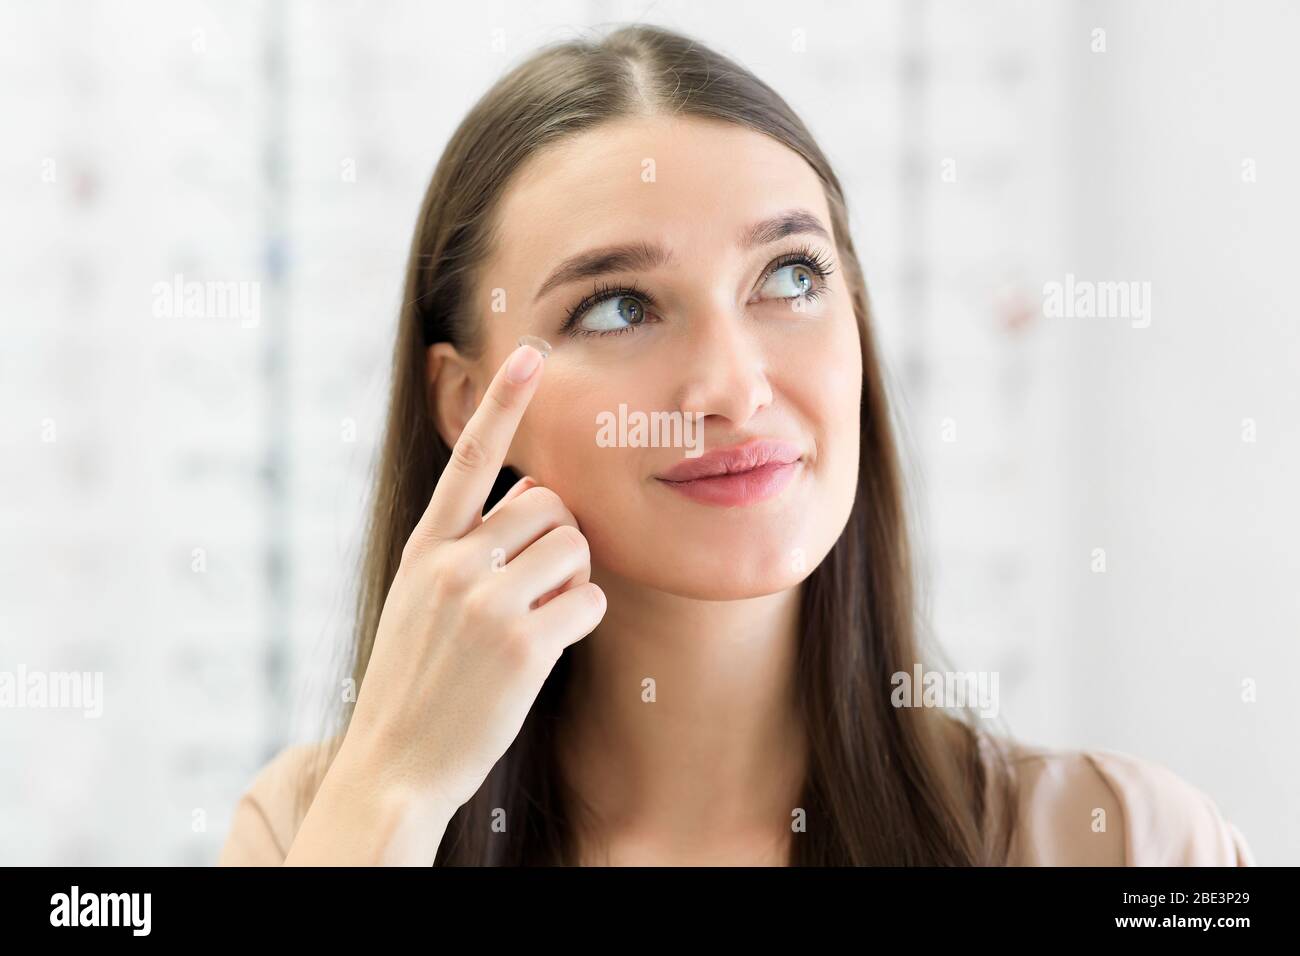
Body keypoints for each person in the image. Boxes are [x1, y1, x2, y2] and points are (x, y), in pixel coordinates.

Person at [218, 24, 1253, 866]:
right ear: (464, 398)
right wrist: (393, 793)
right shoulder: (316, 826)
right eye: (619, 305)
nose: (734, 386)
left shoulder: (1124, 845)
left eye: (791, 277)